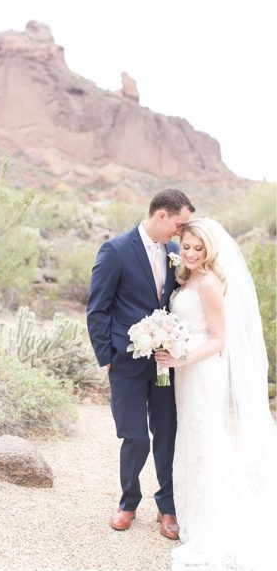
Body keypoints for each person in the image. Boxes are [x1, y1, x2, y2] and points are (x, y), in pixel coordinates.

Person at [155, 218, 277, 570]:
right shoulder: (186, 277)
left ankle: (214, 520)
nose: (191, 253)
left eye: (199, 248)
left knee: (206, 438)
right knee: (192, 438)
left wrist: (182, 358)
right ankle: (192, 510)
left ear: (209, 250)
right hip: (185, 368)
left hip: (203, 369)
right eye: (187, 247)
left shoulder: (209, 282)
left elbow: (220, 339)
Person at [86, 188, 195, 539]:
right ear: (162, 214)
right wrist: (107, 359)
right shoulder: (116, 250)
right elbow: (97, 308)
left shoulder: (175, 251)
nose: (181, 232)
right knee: (134, 436)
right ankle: (128, 502)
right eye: (179, 224)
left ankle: (168, 507)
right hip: (126, 363)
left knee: (167, 434)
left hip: (165, 363)